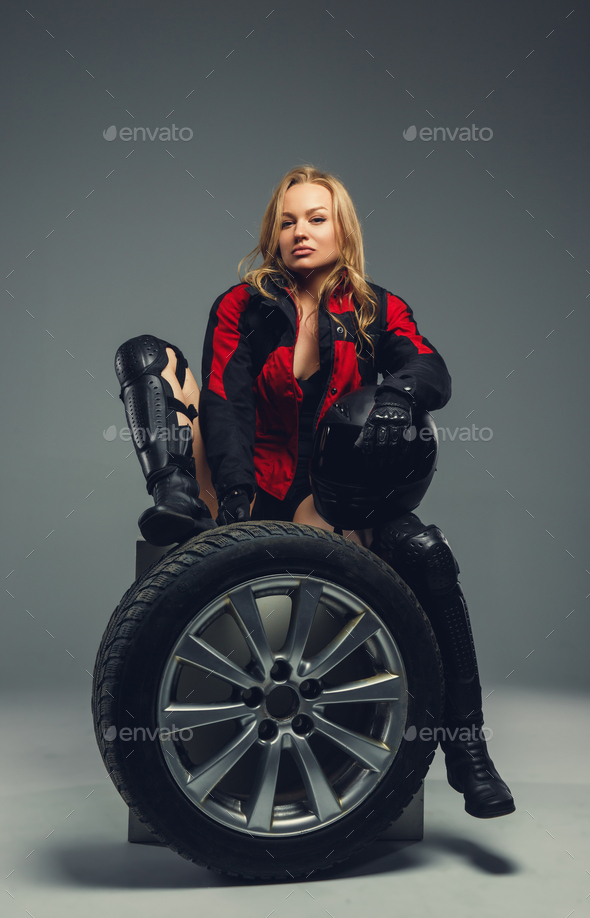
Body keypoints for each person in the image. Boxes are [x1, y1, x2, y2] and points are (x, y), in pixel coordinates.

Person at [114, 164, 515, 819]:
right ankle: (179, 504)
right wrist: (233, 513)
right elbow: (225, 402)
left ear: (342, 229)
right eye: (288, 220)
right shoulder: (241, 305)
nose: (300, 232)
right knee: (144, 355)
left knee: (430, 557)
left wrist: (398, 393)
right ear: (273, 232)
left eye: (316, 218)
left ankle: (468, 753)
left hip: (334, 501)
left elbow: (430, 367)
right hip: (233, 487)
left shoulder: (376, 308)